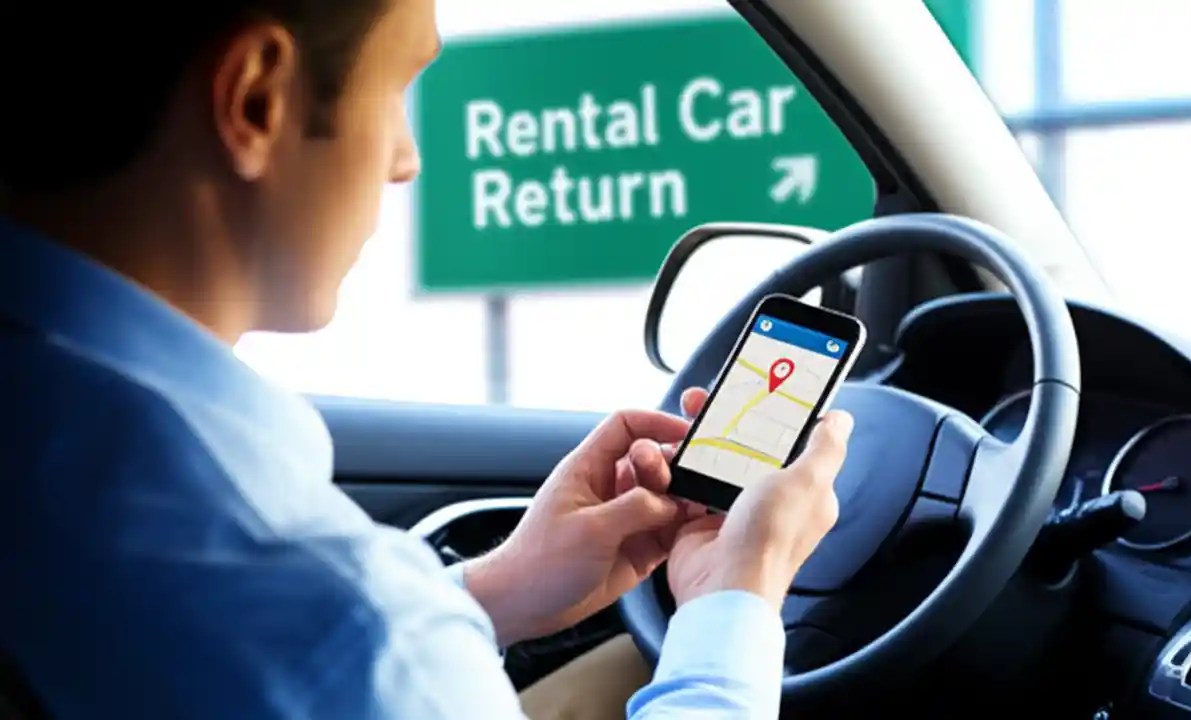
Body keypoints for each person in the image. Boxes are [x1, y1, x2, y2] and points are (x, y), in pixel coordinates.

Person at [0, 0, 854, 717]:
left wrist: (496, 590)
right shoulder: (358, 638)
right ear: (257, 98)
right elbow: (346, 656)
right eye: (400, 84)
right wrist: (737, 600)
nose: (407, 160)